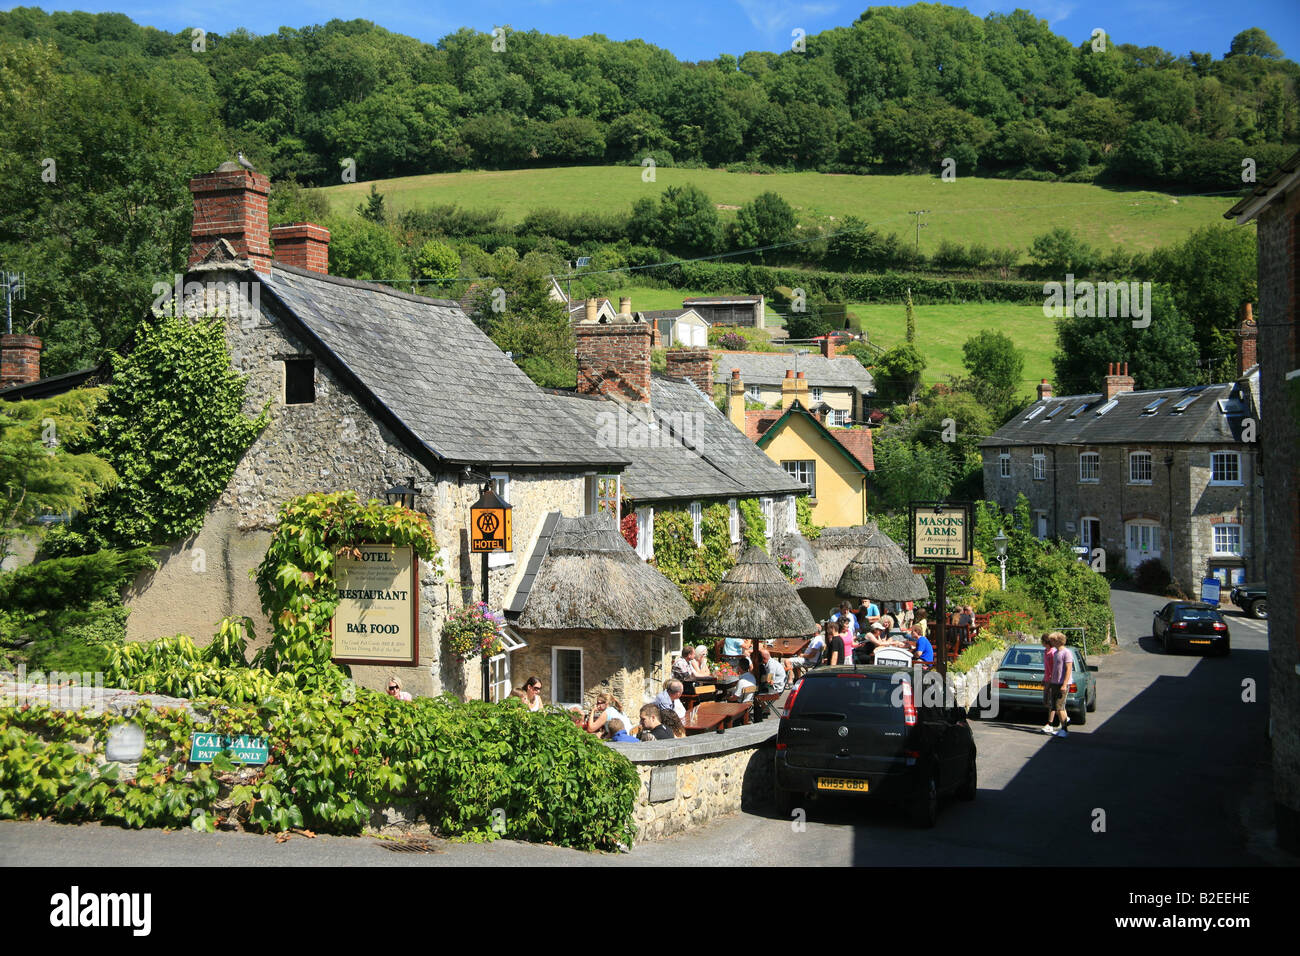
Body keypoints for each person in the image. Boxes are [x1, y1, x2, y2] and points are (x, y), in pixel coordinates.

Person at [1042, 631, 1075, 737]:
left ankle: (1064, 729)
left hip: (1062, 684)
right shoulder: (1056, 653)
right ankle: (1063, 728)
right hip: (1055, 683)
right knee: (1058, 707)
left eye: (1052, 640)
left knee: (1059, 707)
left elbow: (1069, 669)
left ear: (1058, 641)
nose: (1051, 642)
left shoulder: (1066, 652)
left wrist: (1064, 684)